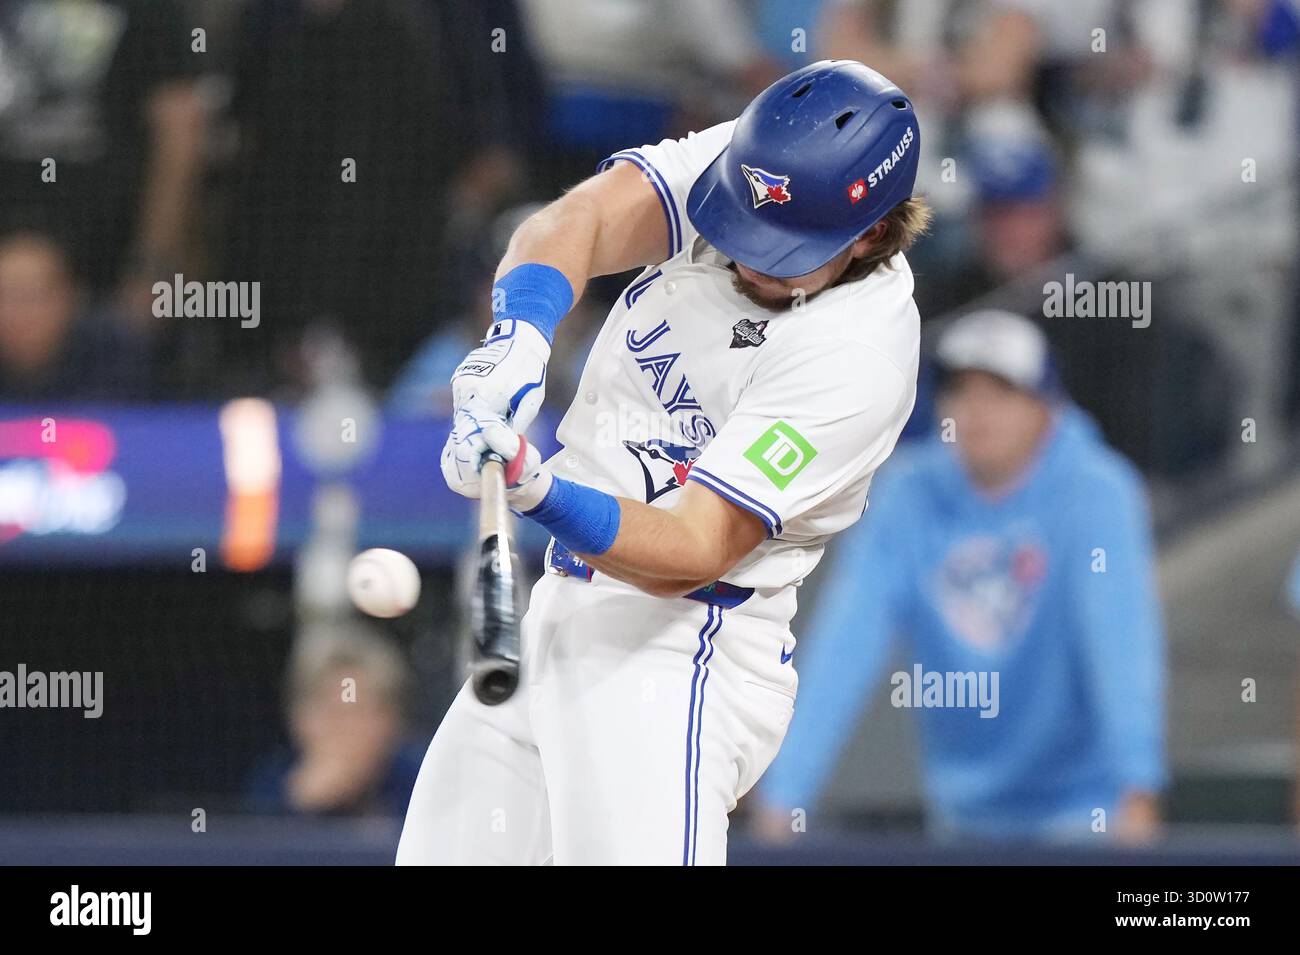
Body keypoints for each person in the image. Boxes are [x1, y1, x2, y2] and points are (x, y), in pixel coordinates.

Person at [397, 60, 931, 865]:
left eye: (781, 250)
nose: (750, 253)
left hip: (682, 649)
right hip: (557, 613)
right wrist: (521, 336)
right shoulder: (765, 169)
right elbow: (578, 220)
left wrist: (537, 488)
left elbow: (695, 549)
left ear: (869, 232)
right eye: (745, 224)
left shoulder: (859, 354)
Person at [754, 310, 1167, 843]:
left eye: (1001, 392)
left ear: (1047, 407)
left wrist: (1137, 787)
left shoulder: (1099, 492)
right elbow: (845, 643)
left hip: (1087, 812)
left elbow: (1121, 644)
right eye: (961, 392)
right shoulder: (906, 494)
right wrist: (785, 794)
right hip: (960, 815)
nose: (978, 412)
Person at [247, 626, 424, 818]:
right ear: (298, 717)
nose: (344, 729)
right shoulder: (273, 786)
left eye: (361, 711)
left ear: (393, 719)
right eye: (331, 712)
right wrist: (299, 805)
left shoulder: (424, 781)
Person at [0, 232, 149, 401]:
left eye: (31, 296)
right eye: (4, 296)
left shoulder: (112, 350)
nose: (15, 312)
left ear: (70, 297)